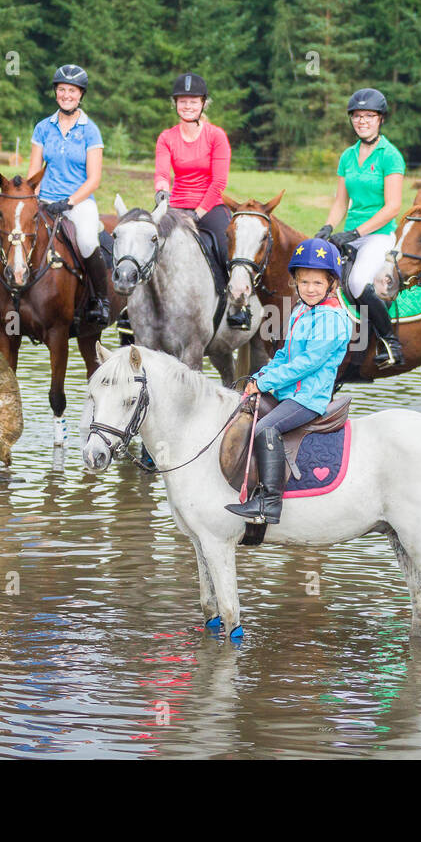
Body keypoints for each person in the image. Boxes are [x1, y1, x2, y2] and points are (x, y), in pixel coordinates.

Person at [225, 238, 353, 529]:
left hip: (308, 398)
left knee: (265, 427)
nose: (310, 288)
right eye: (304, 282)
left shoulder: (333, 318)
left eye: (317, 283)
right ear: (295, 281)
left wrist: (268, 381)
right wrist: (259, 377)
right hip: (288, 392)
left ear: (331, 284)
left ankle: (269, 502)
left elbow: (308, 362)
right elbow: (285, 354)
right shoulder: (301, 310)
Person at [0, 64, 110, 326]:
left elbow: (94, 178)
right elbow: (34, 172)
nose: (67, 95)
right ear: (55, 93)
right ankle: (2, 293)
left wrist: (69, 202)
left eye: (72, 91)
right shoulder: (43, 127)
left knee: (87, 241)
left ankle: (100, 300)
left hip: (79, 202)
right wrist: (34, 200)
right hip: (44, 201)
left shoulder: (91, 130)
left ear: (80, 95)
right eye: (62, 89)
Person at [314, 87, 405, 368]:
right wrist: (328, 227)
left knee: (355, 282)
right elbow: (341, 201)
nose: (362, 121)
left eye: (369, 116)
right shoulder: (348, 156)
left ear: (380, 119)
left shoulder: (390, 155)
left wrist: (355, 233)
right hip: (349, 235)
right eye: (357, 116)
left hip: (378, 236)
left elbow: (393, 207)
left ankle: (390, 342)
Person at [152, 73, 247, 328]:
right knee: (147, 244)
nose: (188, 105)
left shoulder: (216, 136)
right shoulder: (166, 137)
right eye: (183, 101)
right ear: (175, 104)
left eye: (193, 101)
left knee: (225, 249)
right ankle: (135, 309)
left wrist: (199, 212)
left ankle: (238, 306)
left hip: (211, 206)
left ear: (203, 103)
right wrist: (161, 192)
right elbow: (162, 174)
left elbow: (219, 183)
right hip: (176, 205)